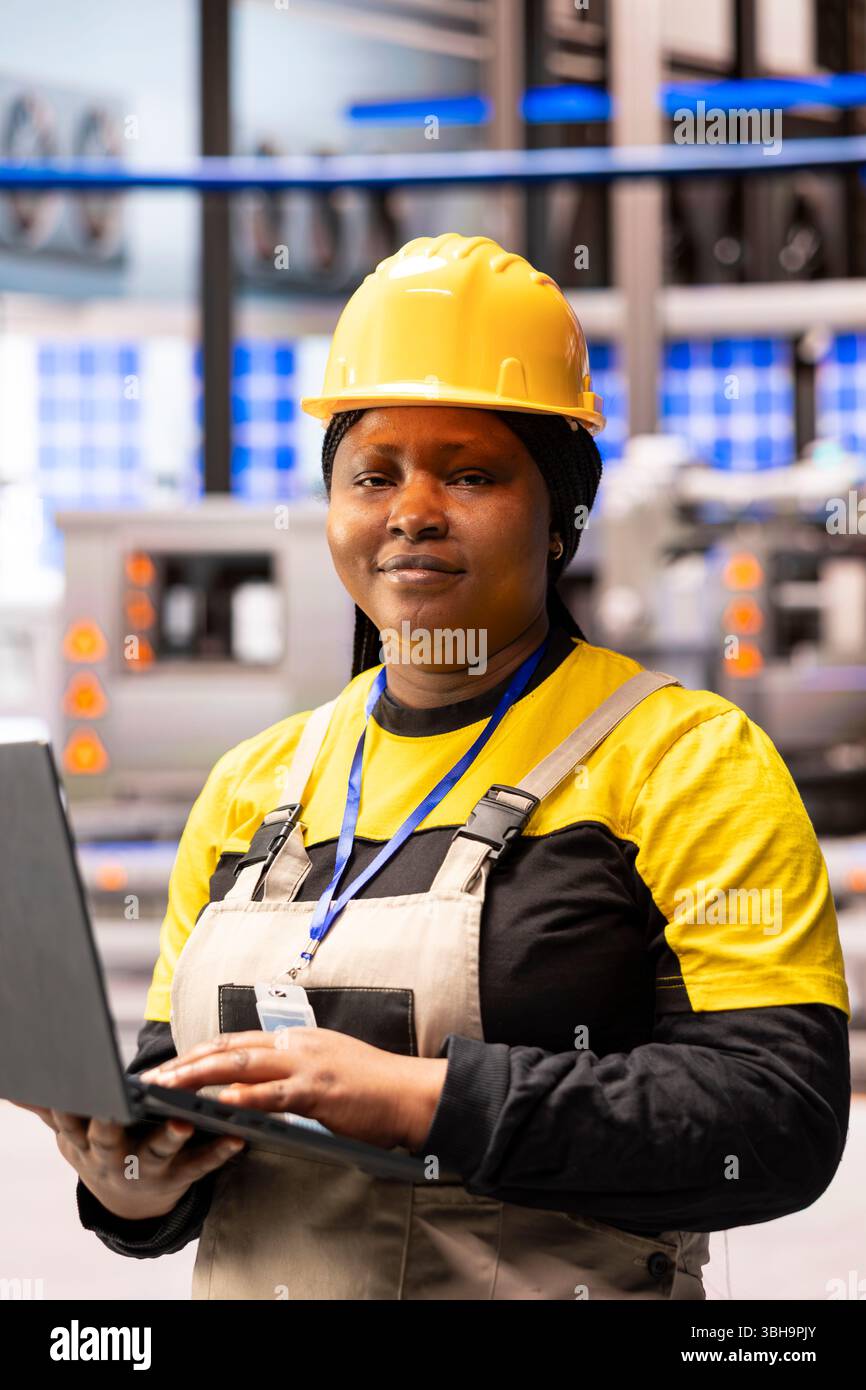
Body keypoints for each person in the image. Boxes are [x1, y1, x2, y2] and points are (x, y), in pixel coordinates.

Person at [34, 233, 851, 1300]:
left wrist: (425, 1099)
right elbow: (180, 1126)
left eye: (469, 473)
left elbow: (772, 1118)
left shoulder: (682, 761)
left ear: (558, 515)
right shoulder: (254, 786)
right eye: (372, 473)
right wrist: (130, 1182)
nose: (411, 509)